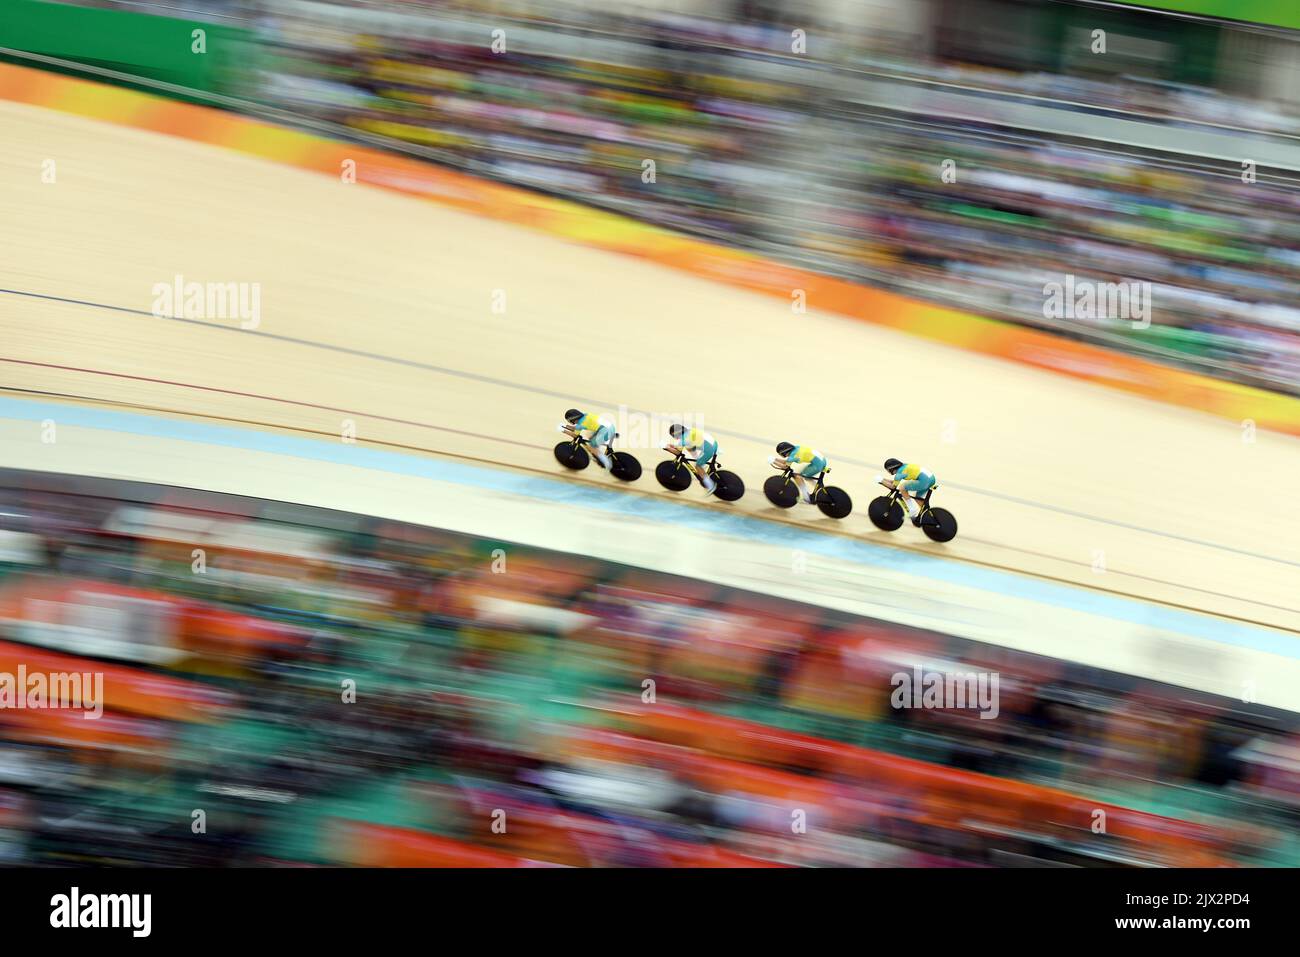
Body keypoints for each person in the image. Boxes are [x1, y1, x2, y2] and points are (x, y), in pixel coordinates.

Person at [666, 423, 718, 495]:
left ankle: (710, 486)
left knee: (697, 466)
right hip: (713, 444)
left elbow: (678, 453)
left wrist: (667, 448)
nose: (674, 437)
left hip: (708, 449)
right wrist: (675, 446)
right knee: (690, 447)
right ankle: (702, 465)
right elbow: (688, 445)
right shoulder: (689, 431)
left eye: (673, 435)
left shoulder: (683, 440)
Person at [883, 457, 936, 525]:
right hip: (931, 479)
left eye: (888, 470)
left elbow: (893, 486)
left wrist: (881, 481)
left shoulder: (899, 474)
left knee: (902, 487)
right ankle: (927, 515)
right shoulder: (904, 466)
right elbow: (895, 482)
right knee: (918, 498)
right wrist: (884, 479)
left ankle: (912, 510)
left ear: (891, 468)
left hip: (924, 481)